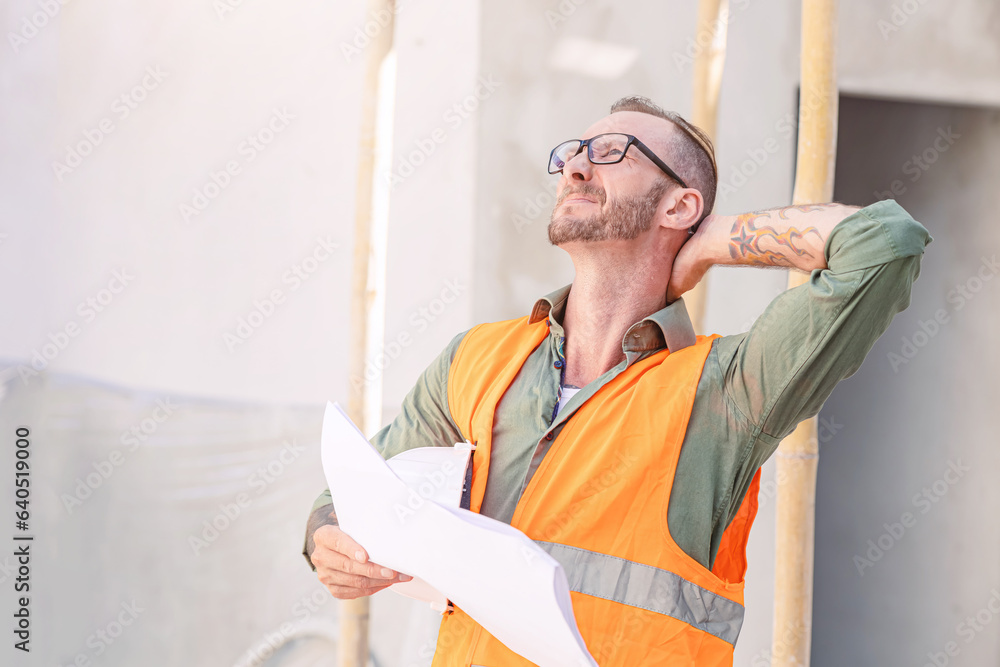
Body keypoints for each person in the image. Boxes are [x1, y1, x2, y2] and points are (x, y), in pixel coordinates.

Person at [302, 96, 931, 665]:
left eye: (610, 153)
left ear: (678, 205)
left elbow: (886, 243)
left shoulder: (725, 391)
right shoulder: (476, 358)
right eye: (574, 152)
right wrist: (326, 539)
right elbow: (351, 494)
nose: (576, 168)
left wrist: (713, 241)